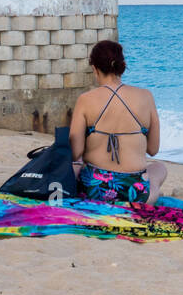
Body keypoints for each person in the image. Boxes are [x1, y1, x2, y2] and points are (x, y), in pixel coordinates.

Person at [70, 40, 166, 206]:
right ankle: (146, 195)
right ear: (123, 65)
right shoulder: (146, 96)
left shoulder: (85, 100)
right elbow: (153, 149)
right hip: (136, 193)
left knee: (74, 166)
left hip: (95, 190)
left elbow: (75, 151)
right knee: (159, 168)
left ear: (94, 68)